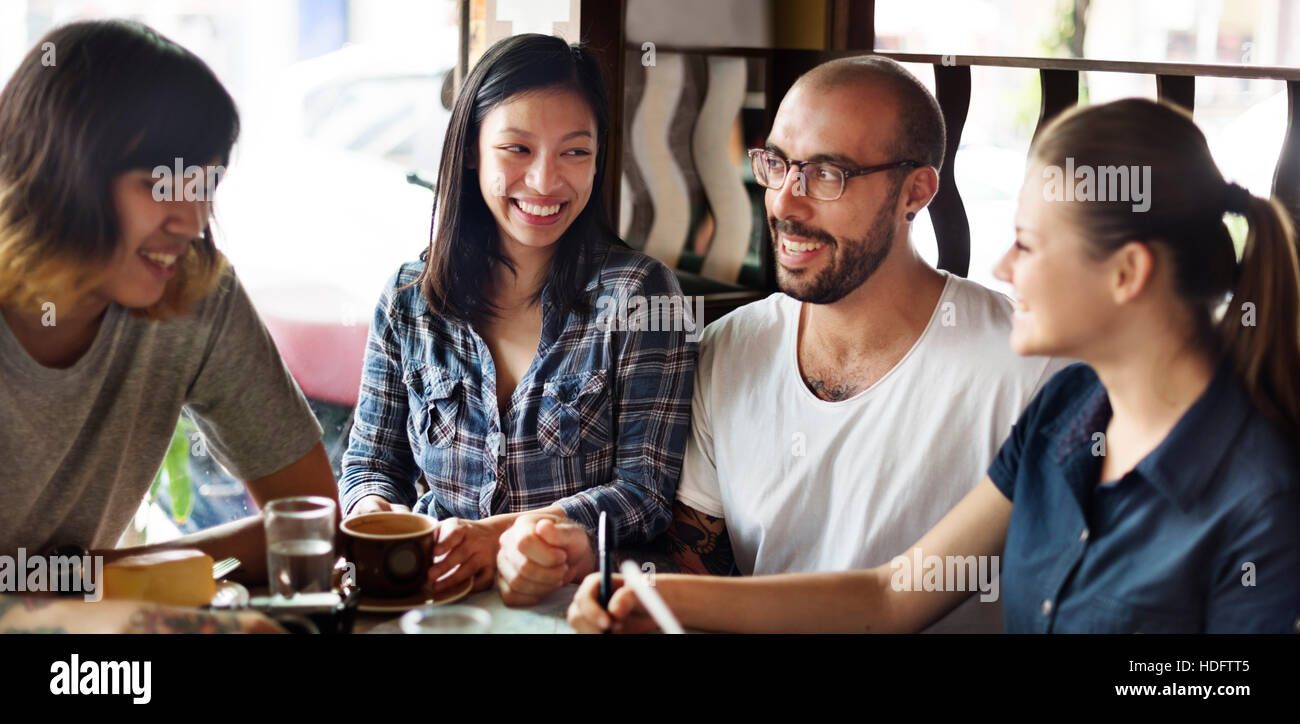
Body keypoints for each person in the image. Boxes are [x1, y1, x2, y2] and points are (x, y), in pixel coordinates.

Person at [567, 97, 1300, 634]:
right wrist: (653, 597)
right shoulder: (1069, 411)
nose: (1006, 267)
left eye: (1029, 243)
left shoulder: (1262, 494)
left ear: (1127, 273)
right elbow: (890, 597)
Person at [530, 55, 1062, 632]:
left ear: (916, 192)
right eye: (777, 164)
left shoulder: (1027, 367)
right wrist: (613, 583)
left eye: (828, 174)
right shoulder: (729, 349)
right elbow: (694, 573)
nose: (785, 201)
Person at [338, 34, 695, 601]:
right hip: (431, 599)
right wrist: (377, 518)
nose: (546, 182)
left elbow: (644, 495)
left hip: (567, 605)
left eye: (575, 152)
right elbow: (371, 461)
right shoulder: (409, 299)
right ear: (474, 149)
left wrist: (500, 537)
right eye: (518, 149)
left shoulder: (642, 297)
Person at [0, 20, 338, 601]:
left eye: (203, 183)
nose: (192, 220)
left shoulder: (193, 291)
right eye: (159, 183)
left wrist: (100, 577)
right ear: (59, 175)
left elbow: (311, 524)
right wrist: (98, 580)